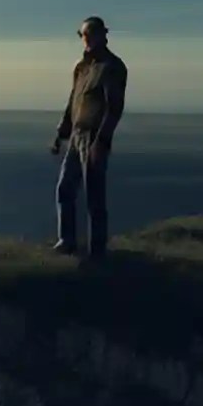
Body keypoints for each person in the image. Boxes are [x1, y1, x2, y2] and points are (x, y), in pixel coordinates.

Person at [49, 15, 127, 259]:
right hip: (76, 135)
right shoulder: (81, 68)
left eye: (89, 34)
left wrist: (101, 141)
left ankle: (97, 250)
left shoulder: (112, 67)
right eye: (84, 35)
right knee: (65, 189)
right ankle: (67, 241)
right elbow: (73, 101)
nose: (86, 39)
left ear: (102, 35)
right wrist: (61, 133)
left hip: (93, 136)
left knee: (95, 196)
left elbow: (114, 108)